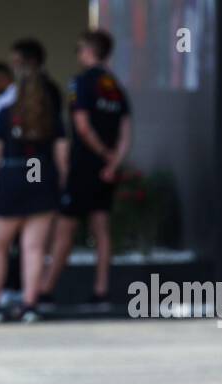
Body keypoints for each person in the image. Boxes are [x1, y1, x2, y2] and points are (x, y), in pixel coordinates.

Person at [40, 29, 133, 308]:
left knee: (65, 229)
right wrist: (113, 162)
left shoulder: (80, 83)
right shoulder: (116, 87)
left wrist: (102, 155)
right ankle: (101, 291)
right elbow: (127, 133)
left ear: (90, 51)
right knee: (101, 230)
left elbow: (81, 125)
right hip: (107, 171)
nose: (78, 55)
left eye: (80, 49)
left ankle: (45, 290)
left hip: (84, 167)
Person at [0, 52, 67, 323]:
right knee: (34, 248)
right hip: (41, 178)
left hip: (11, 176)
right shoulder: (51, 117)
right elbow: (62, 157)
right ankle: (30, 304)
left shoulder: (6, 114)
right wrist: (59, 185)